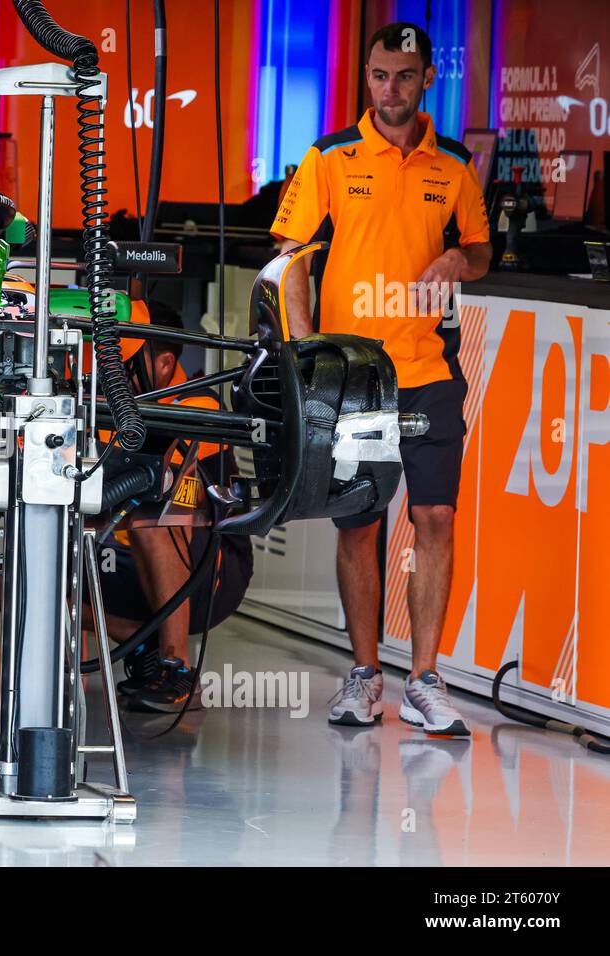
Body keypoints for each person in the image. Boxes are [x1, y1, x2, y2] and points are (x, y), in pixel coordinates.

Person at [271, 23, 491, 735]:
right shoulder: (331, 156)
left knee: (436, 518)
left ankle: (425, 679)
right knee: (359, 524)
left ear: (428, 78)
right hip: (356, 375)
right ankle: (364, 676)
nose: (389, 89)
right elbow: (290, 255)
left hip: (428, 370)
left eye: (403, 75)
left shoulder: (455, 164)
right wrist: (305, 348)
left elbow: (480, 249)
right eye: (378, 75)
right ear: (366, 77)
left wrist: (457, 261)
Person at [97, 335, 254, 713]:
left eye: (126, 366)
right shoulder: (120, 408)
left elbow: (163, 494)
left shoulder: (199, 407)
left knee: (152, 517)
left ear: (165, 364)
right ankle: (143, 642)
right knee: (6, 577)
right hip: (136, 564)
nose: (114, 375)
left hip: (212, 576)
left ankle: (177, 668)